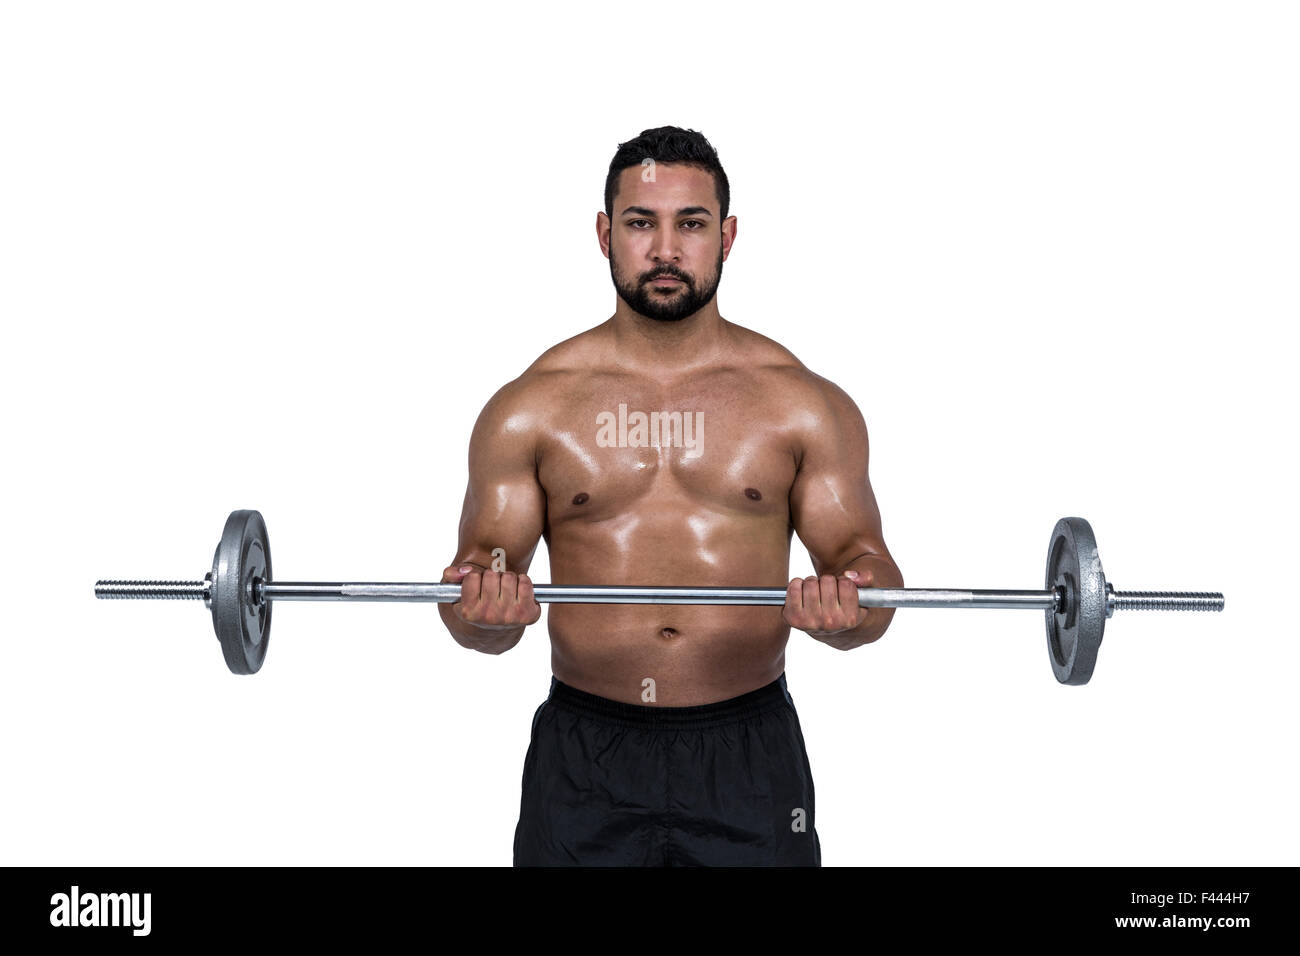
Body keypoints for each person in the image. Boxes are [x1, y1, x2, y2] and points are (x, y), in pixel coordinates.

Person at [438, 126, 904, 866]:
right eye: (640, 223)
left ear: (727, 236)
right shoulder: (531, 408)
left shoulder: (802, 406)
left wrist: (848, 611)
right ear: (603, 234)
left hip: (747, 755)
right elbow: (472, 590)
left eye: (690, 224)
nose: (665, 250)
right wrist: (487, 614)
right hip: (583, 757)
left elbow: (867, 569)